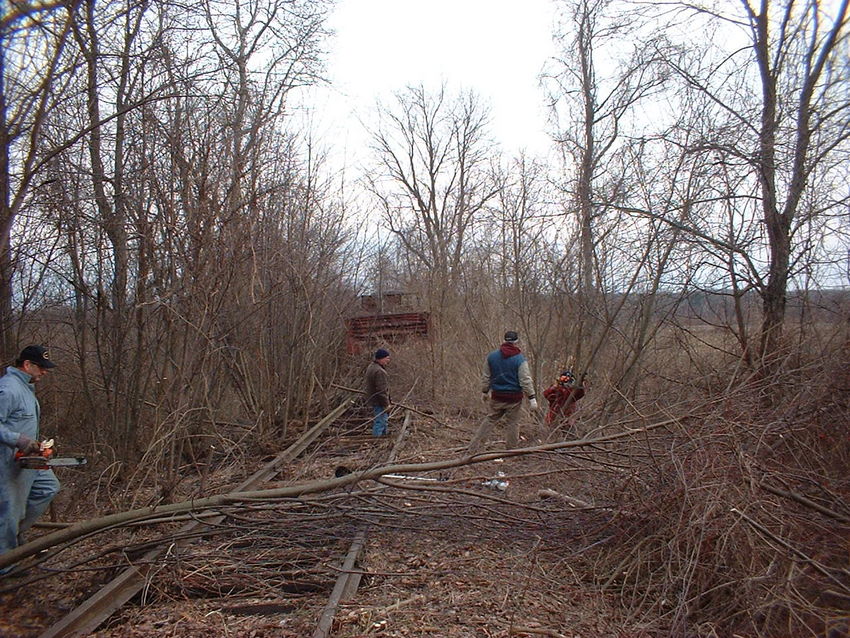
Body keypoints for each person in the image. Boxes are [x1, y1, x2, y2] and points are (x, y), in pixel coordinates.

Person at [0, 345, 61, 558]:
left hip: (28, 461)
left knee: (48, 487)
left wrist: (38, 446)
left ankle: (15, 535)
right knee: (9, 512)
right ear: (27, 365)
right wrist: (18, 440)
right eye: (41, 367)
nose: (44, 372)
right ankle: (7, 563)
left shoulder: (25, 388)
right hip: (7, 464)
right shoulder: (8, 389)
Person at [469, 331, 537, 452]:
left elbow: (486, 376)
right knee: (513, 423)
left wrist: (485, 391)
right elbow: (525, 380)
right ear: (516, 342)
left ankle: (474, 447)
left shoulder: (492, 357)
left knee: (490, 419)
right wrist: (532, 398)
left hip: (497, 396)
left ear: (504, 340)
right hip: (514, 398)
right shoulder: (520, 359)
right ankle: (511, 450)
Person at [364, 348, 391, 437]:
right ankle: (377, 441)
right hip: (379, 401)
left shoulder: (371, 367)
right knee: (380, 422)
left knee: (382, 421)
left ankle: (383, 438)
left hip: (373, 400)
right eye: (387, 358)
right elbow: (381, 391)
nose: (388, 360)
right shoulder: (379, 371)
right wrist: (386, 404)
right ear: (380, 358)